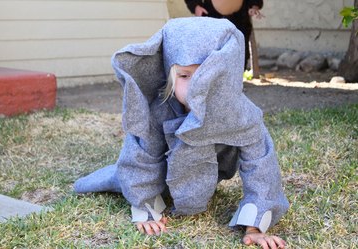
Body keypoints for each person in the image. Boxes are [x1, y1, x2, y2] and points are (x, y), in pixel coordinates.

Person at [74, 17, 289, 249]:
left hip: (211, 170)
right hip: (164, 172)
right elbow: (140, 157)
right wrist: (145, 206)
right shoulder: (159, 111)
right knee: (120, 176)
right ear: (170, 74)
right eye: (184, 76)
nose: (193, 89)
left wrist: (255, 225)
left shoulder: (242, 115)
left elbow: (261, 165)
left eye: (205, 77)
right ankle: (113, 182)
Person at [184, 0, 264, 69]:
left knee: (239, 52)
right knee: (213, 53)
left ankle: (236, 81)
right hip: (212, 15)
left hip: (239, 17)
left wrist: (254, 5)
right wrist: (195, 6)